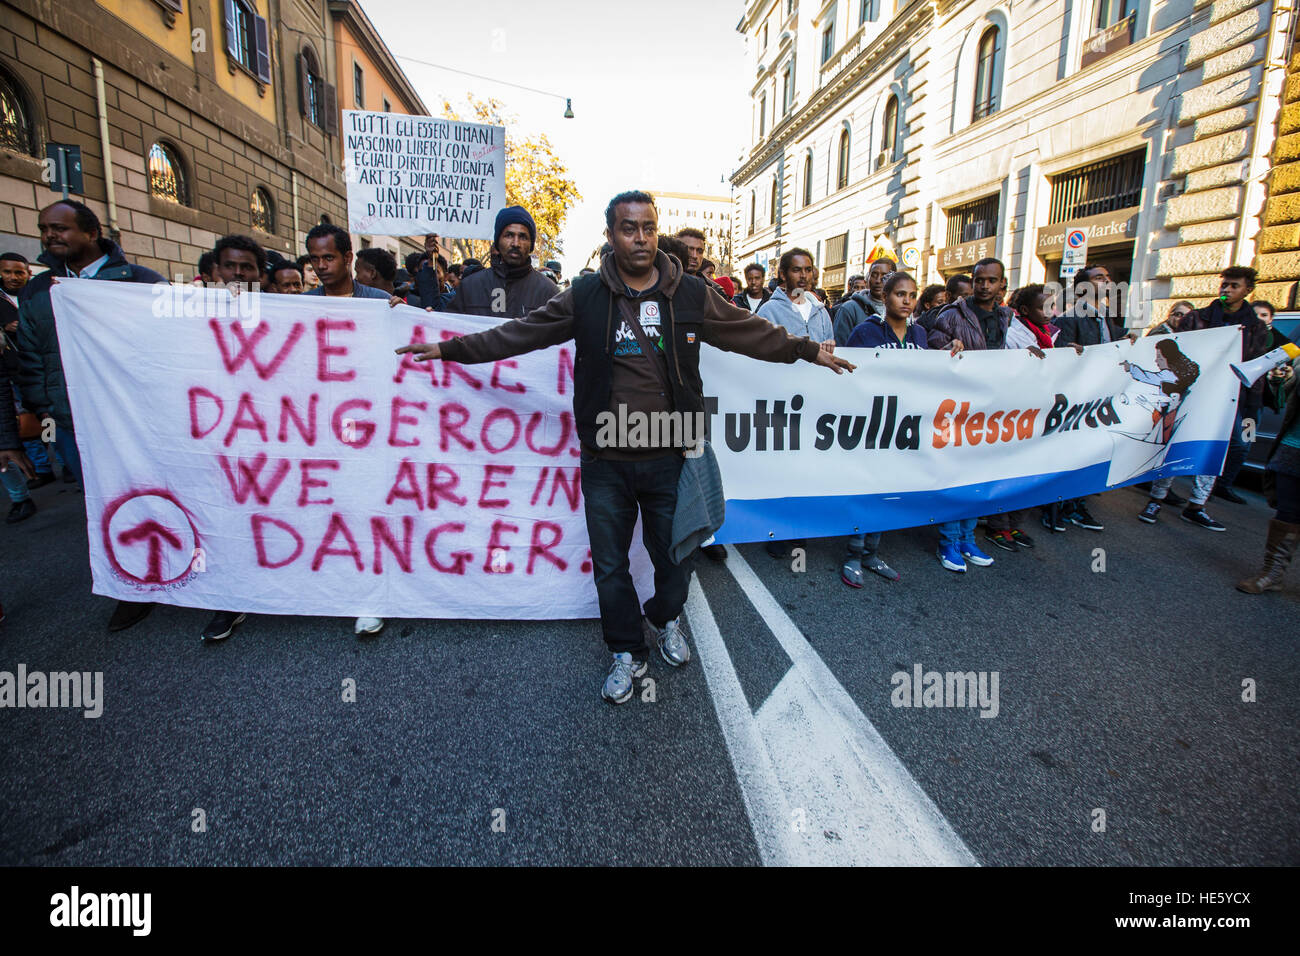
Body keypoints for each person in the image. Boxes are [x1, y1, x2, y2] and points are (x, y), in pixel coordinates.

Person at [395, 190, 855, 704]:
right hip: (605, 462)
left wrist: (807, 349)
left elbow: (749, 332)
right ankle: (625, 650)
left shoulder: (690, 293)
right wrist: (451, 349)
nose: (641, 237)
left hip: (670, 458)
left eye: (649, 227)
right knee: (610, 565)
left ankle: (665, 618)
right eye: (629, 228)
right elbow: (521, 334)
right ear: (611, 235)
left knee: (676, 560)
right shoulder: (586, 296)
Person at [16, 200, 166, 633]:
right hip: (73, 423)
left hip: (138, 419)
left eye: (60, 228)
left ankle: (164, 575)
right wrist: (44, 409)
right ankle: (129, 585)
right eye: (45, 229)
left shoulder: (139, 281)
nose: (50, 236)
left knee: (149, 495)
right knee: (103, 504)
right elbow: (32, 357)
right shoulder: (38, 290)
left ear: (91, 231)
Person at [841, 271, 962, 584]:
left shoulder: (920, 334)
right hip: (872, 425)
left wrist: (950, 356)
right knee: (868, 489)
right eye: (899, 294)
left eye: (911, 295)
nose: (906, 301)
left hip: (904, 427)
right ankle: (853, 555)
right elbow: (850, 375)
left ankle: (872, 554)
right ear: (885, 297)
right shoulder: (866, 332)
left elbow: (925, 376)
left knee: (888, 491)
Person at [1182, 266, 1270, 505]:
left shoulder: (1255, 328)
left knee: (1236, 444)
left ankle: (1209, 495)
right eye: (1224, 285)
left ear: (1247, 290)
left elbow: (1256, 368)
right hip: (1195, 392)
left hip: (1233, 399)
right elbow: (1178, 351)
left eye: (1234, 286)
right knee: (1178, 440)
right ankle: (1157, 497)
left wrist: (1252, 407)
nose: (1227, 290)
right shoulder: (1198, 318)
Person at [1128, 339, 1225, 531]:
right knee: (1171, 453)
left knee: (1207, 455)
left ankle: (1197, 504)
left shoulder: (1179, 372)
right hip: (1175, 412)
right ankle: (1156, 500)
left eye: (1159, 357)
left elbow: (1151, 376)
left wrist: (1130, 368)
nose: (1156, 361)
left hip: (1208, 411)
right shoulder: (1176, 369)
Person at [1238, 354, 1300, 592]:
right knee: (1287, 513)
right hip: (1293, 448)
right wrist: (1277, 380)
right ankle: (1272, 574)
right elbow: (1280, 397)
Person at [442, 208, 557, 318]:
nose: (516, 243)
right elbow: (450, 329)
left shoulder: (548, 292)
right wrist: (431, 319)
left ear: (531, 244)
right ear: (497, 242)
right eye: (509, 235)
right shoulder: (470, 287)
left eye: (523, 237)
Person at [303, 225, 390, 302]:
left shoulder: (380, 300)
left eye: (329, 258)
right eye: (314, 259)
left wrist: (400, 312)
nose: (321, 266)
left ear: (347, 258)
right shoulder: (304, 304)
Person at [833, 258, 895, 345]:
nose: (878, 280)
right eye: (874, 275)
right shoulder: (849, 309)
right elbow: (840, 347)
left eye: (884, 276)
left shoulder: (901, 311)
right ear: (868, 278)